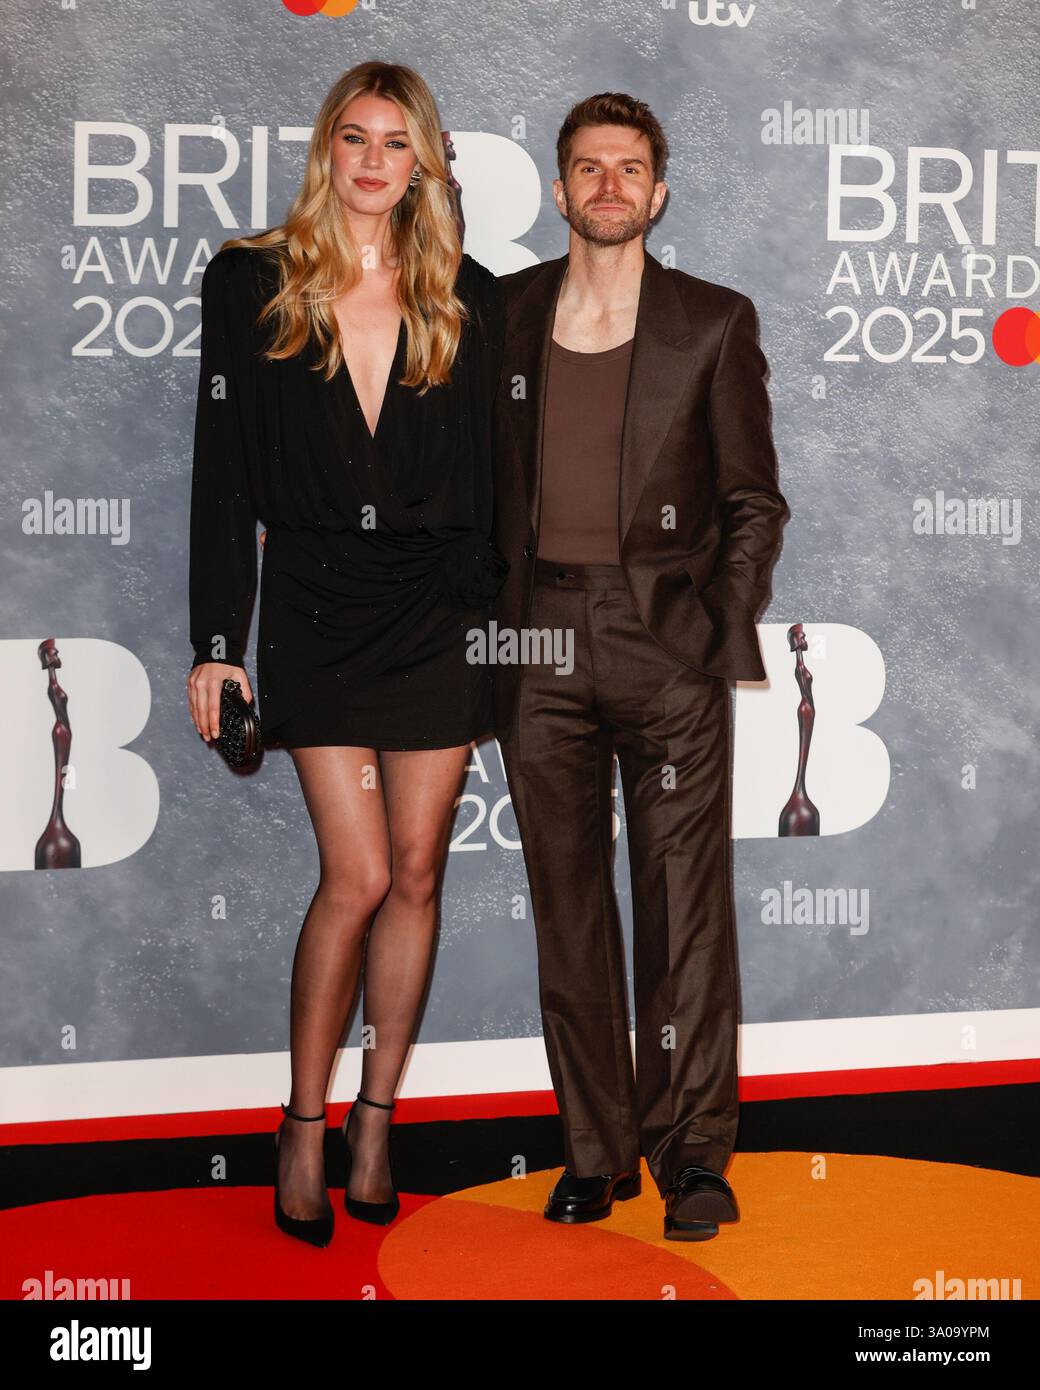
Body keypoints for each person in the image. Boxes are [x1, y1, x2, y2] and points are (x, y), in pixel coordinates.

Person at [186, 61, 507, 1248]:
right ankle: (303, 1124)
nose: (373, 161)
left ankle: (378, 1116)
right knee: (359, 874)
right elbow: (221, 471)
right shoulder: (250, 283)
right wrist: (219, 644)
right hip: (318, 607)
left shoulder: (466, 297)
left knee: (420, 872)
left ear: (423, 163)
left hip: (434, 615)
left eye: (396, 143)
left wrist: (505, 622)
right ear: (327, 150)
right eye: (354, 138)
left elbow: (493, 484)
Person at [491, 92, 790, 1241]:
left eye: (628, 168)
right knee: (566, 908)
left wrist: (716, 623)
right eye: (586, 167)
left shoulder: (710, 321)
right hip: (536, 645)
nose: (607, 185)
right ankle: (593, 1149)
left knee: (682, 911)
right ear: (558, 188)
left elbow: (752, 497)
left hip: (662, 644)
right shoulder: (503, 315)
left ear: (657, 191)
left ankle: (693, 1155)